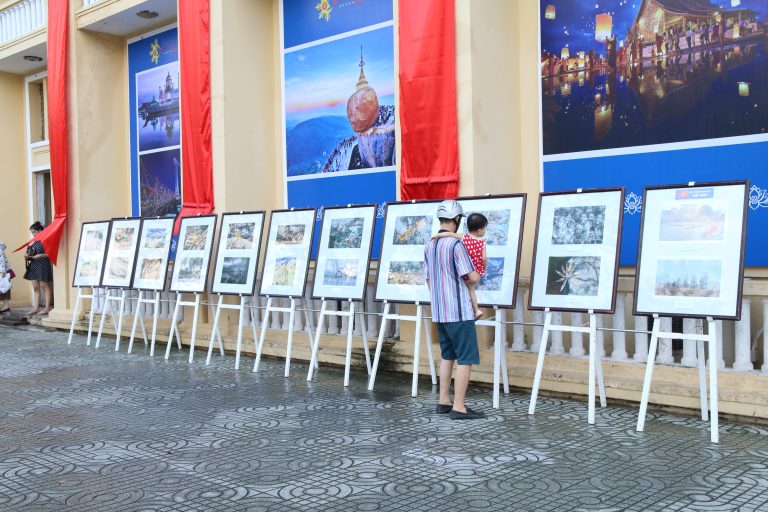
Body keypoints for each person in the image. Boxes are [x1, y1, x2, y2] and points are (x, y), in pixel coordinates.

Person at [424, 200, 483, 420]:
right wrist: (479, 268)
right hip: (459, 312)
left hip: (440, 312)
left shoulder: (429, 245)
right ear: (457, 220)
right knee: (465, 359)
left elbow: (428, 280)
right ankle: (459, 406)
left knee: (447, 355)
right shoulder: (456, 246)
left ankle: (443, 401)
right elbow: (472, 277)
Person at [432, 213, 488, 320]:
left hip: (466, 269)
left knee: (470, 289)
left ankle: (476, 310)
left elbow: (449, 234)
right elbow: (484, 258)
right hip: (476, 270)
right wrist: (483, 268)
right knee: (472, 290)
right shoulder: (482, 243)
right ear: (480, 230)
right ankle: (476, 310)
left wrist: (437, 235)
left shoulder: (464, 237)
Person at [23, 222, 53, 316]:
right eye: (32, 232)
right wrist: (25, 255)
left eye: (34, 232)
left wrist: (41, 255)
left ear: (40, 230)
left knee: (45, 286)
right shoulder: (34, 241)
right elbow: (28, 251)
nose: (33, 234)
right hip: (33, 265)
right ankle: (36, 308)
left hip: (43, 263)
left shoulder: (46, 239)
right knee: (36, 287)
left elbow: (52, 253)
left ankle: (47, 308)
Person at [0, 242, 11, 314]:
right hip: (3, 271)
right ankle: (6, 307)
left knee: (4, 288)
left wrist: (2, 271)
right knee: (3, 289)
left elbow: (1, 259)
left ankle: (6, 307)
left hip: (2, 271)